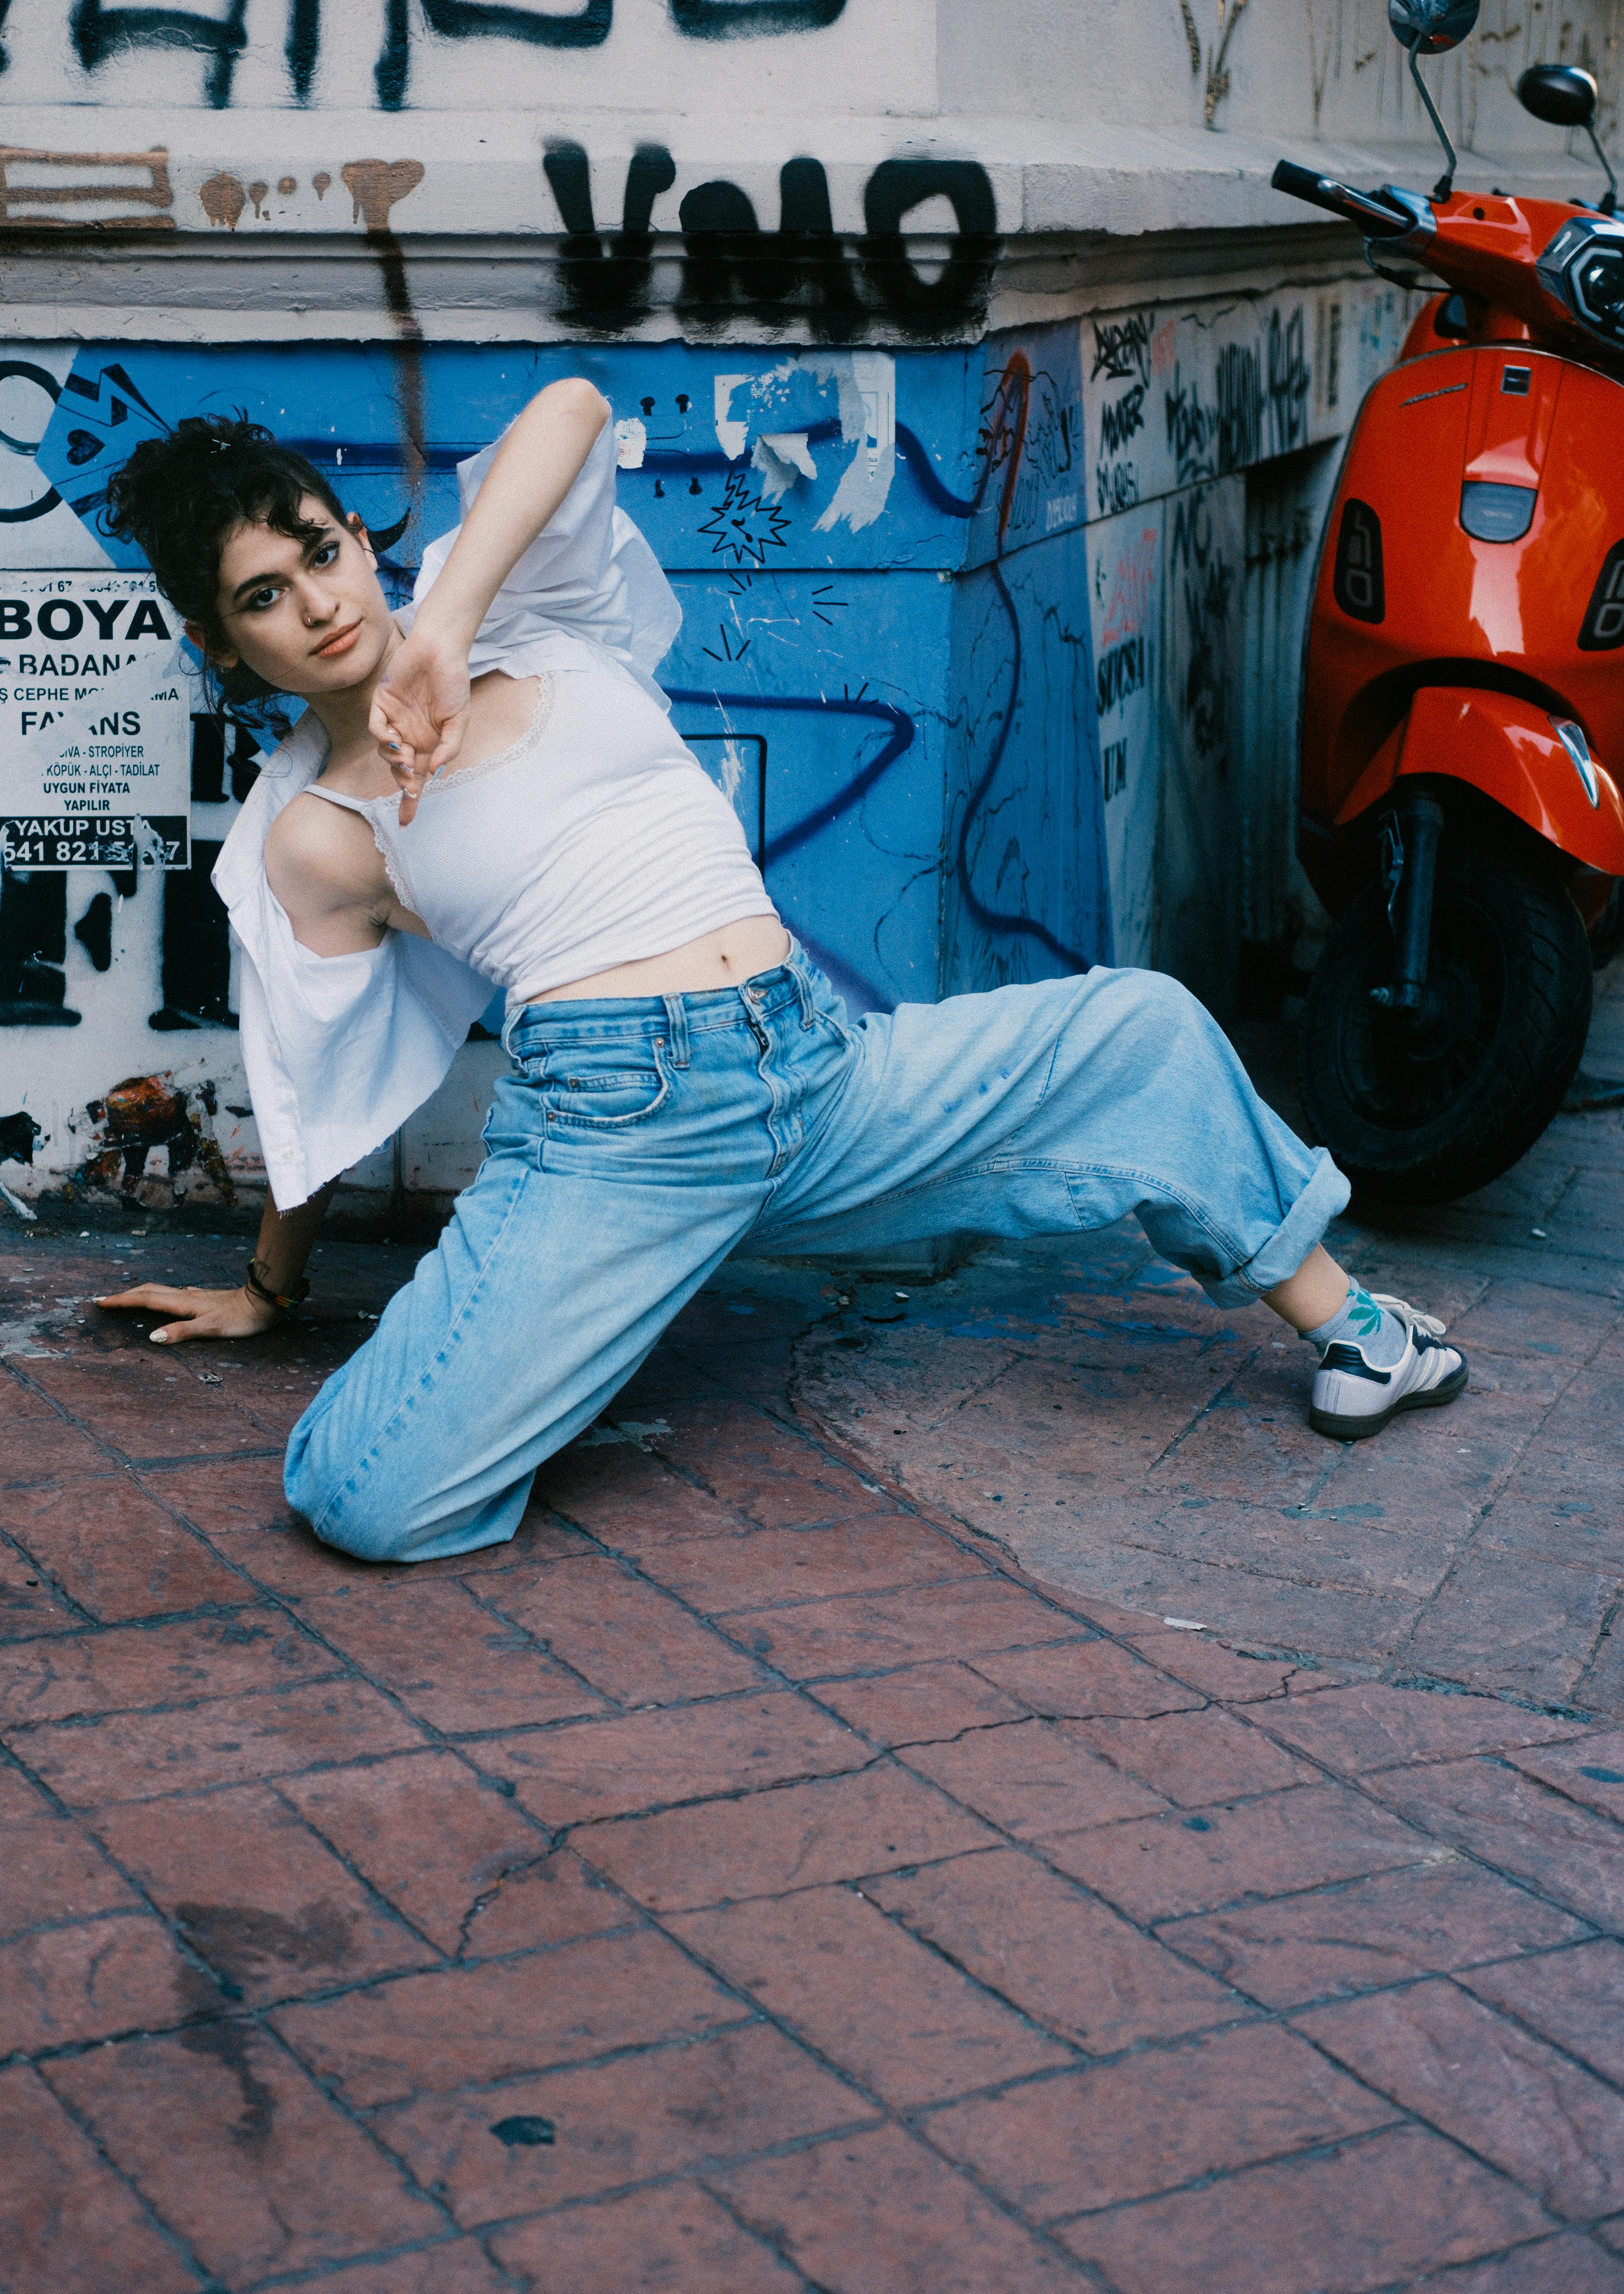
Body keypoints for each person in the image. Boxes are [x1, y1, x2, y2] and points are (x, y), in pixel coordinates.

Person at [96, 377, 1467, 1563]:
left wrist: (447, 622)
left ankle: (1361, 1330)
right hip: (615, 1133)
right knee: (357, 1492)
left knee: (1141, 1028)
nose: (319, 604)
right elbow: (313, 1064)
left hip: (814, 1071)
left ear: (359, 543)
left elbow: (572, 411)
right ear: (227, 647)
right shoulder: (319, 833)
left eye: (322, 552)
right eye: (262, 598)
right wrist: (273, 1290)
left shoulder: (525, 613)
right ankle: (596, 1291)